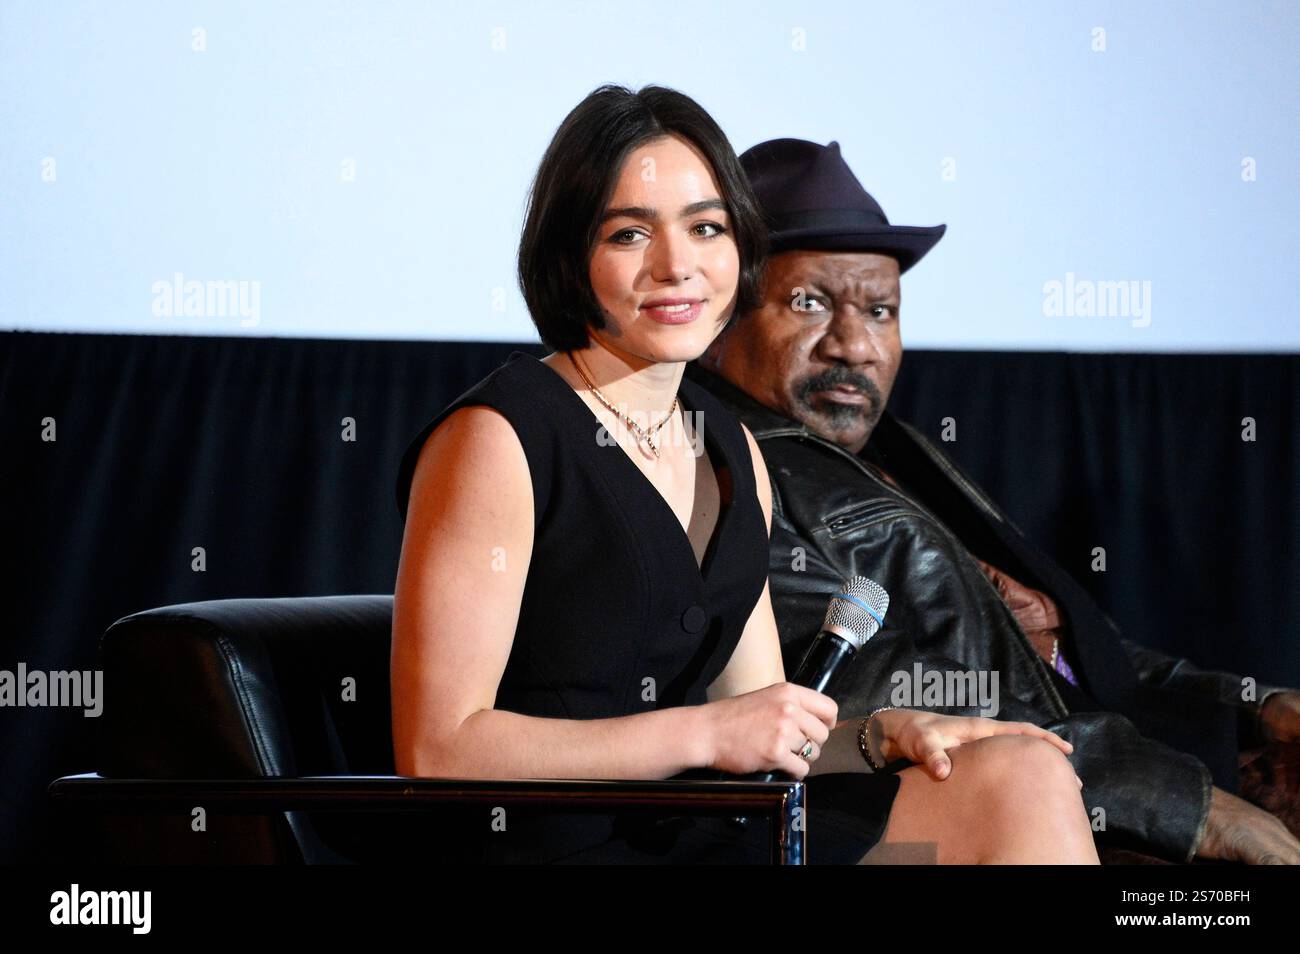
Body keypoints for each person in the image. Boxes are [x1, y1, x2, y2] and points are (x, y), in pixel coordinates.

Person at [391, 85, 1097, 864]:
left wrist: (876, 734)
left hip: (704, 833)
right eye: (630, 233)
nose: (677, 266)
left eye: (706, 228)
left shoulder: (730, 449)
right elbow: (441, 748)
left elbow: (753, 726)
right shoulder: (498, 438)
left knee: (1022, 772)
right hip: (555, 846)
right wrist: (700, 733)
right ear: (569, 255)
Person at [687, 137, 1300, 864]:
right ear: (721, 319)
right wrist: (1184, 806)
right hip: (961, 804)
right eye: (810, 303)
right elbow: (884, 694)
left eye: (881, 311)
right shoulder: (718, 465)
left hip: (1105, 765)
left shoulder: (902, 453)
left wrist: (1250, 704)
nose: (853, 345)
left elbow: (1058, 648)